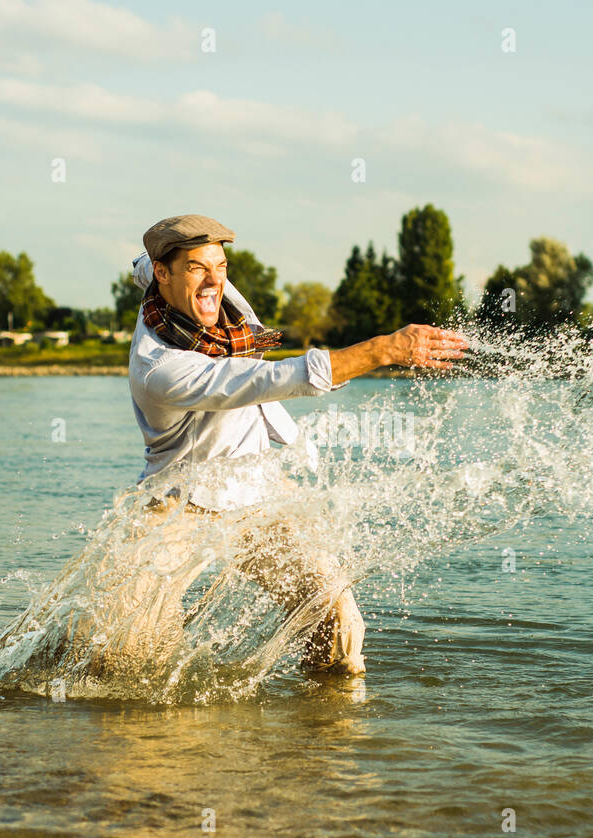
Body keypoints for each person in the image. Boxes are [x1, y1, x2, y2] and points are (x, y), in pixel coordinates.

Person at [127, 214, 468, 675]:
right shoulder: (160, 368)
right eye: (196, 268)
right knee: (130, 654)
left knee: (336, 621)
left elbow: (142, 267)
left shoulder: (196, 294)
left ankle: (321, 734)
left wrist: (150, 265)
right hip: (180, 502)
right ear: (164, 274)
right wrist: (384, 350)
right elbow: (271, 378)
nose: (214, 280)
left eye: (221, 265)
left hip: (256, 491)